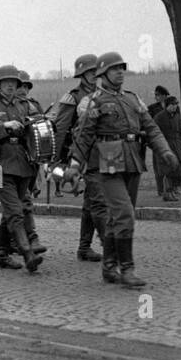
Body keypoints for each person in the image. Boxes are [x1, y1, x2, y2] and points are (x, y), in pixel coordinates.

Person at [65, 52, 179, 287]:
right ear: (103, 74)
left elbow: (152, 128)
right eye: (115, 68)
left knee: (119, 218)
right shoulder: (94, 101)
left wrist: (165, 151)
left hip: (133, 161)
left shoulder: (133, 99)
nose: (120, 72)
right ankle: (127, 269)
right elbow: (84, 136)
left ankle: (109, 266)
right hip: (109, 165)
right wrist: (75, 166)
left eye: (122, 68)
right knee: (124, 214)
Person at [0, 65, 47, 272]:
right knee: (15, 211)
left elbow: (37, 127)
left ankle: (2, 255)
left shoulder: (25, 106)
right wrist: (5, 127)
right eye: (6, 82)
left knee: (10, 210)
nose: (10, 86)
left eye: (14, 82)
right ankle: (27, 252)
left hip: (22, 163)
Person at [52, 53, 104, 259]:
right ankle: (90, 245)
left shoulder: (103, 94)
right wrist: (55, 160)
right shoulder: (72, 97)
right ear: (81, 75)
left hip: (106, 152)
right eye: (89, 72)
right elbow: (61, 129)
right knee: (95, 198)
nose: (93, 75)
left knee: (96, 199)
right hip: (84, 153)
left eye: (95, 71)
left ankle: (87, 246)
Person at [156, 96, 181, 200]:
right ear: (167, 105)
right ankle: (167, 193)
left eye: (176, 104)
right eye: (172, 105)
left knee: (178, 169)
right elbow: (155, 133)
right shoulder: (159, 117)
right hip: (165, 146)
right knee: (168, 170)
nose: (174, 107)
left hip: (176, 145)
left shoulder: (177, 116)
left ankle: (174, 190)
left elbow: (180, 131)